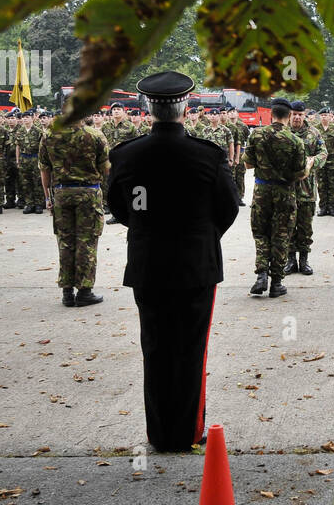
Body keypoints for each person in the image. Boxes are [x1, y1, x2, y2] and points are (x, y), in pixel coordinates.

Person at [107, 71, 240, 452]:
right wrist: (201, 237)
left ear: (148, 107)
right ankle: (186, 433)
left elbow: (119, 206)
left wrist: (148, 229)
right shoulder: (207, 154)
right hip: (195, 266)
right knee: (190, 351)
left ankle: (160, 435)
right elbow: (227, 209)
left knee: (156, 349)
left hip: (149, 264)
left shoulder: (127, 154)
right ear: (186, 106)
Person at [39, 111, 109, 307]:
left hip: (62, 193)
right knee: (86, 242)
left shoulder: (49, 135)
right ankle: (85, 290)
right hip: (88, 193)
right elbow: (106, 167)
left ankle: (67, 291)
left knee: (65, 242)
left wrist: (47, 197)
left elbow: (44, 169)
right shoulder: (95, 135)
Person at [244, 97, 312, 298]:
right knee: (281, 236)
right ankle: (277, 282)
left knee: (261, 234)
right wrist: (308, 166)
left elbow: (247, 164)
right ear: (289, 116)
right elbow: (300, 174)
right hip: (285, 193)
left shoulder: (256, 135)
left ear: (271, 114)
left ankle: (261, 274)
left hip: (262, 192)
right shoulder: (295, 141)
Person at [286, 101, 326, 276]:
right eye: (294, 114)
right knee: (287, 225)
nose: (296, 117)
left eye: (300, 114)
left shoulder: (313, 133)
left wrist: (312, 162)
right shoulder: (283, 132)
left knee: (305, 227)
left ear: (304, 115)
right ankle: (290, 260)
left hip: (307, 189)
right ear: (289, 114)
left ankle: (304, 260)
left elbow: (323, 153)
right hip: (286, 188)